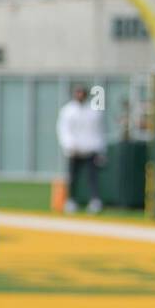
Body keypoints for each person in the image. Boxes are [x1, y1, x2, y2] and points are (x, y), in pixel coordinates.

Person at [58, 84, 106, 213]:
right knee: (73, 178)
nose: (79, 95)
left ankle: (95, 201)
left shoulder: (93, 111)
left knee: (92, 178)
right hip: (74, 151)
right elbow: (64, 130)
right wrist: (69, 145)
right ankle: (71, 200)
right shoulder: (68, 111)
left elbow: (98, 131)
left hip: (90, 150)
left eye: (82, 92)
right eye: (77, 92)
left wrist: (100, 150)